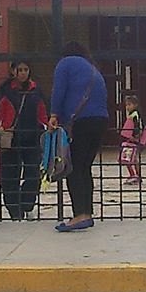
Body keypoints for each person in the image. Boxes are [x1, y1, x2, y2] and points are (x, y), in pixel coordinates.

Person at [47, 41, 108, 232]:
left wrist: (54, 114)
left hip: (80, 121)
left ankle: (79, 215)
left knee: (73, 168)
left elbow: (59, 90)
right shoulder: (91, 68)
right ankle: (86, 213)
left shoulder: (65, 64)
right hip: (100, 120)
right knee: (85, 168)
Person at [0, 60, 49, 220]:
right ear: (13, 71)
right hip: (11, 138)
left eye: (26, 69)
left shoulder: (36, 91)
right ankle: (15, 212)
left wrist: (47, 126)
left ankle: (26, 203)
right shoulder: (5, 92)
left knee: (33, 174)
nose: (23, 72)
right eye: (20, 69)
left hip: (32, 137)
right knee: (10, 177)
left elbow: (42, 112)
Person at [119, 93, 145, 184]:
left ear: (135, 105)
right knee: (132, 159)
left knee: (129, 158)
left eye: (129, 104)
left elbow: (137, 127)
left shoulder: (134, 115)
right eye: (126, 105)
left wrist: (134, 137)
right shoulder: (133, 114)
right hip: (132, 140)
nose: (127, 107)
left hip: (132, 140)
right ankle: (137, 175)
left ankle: (134, 175)